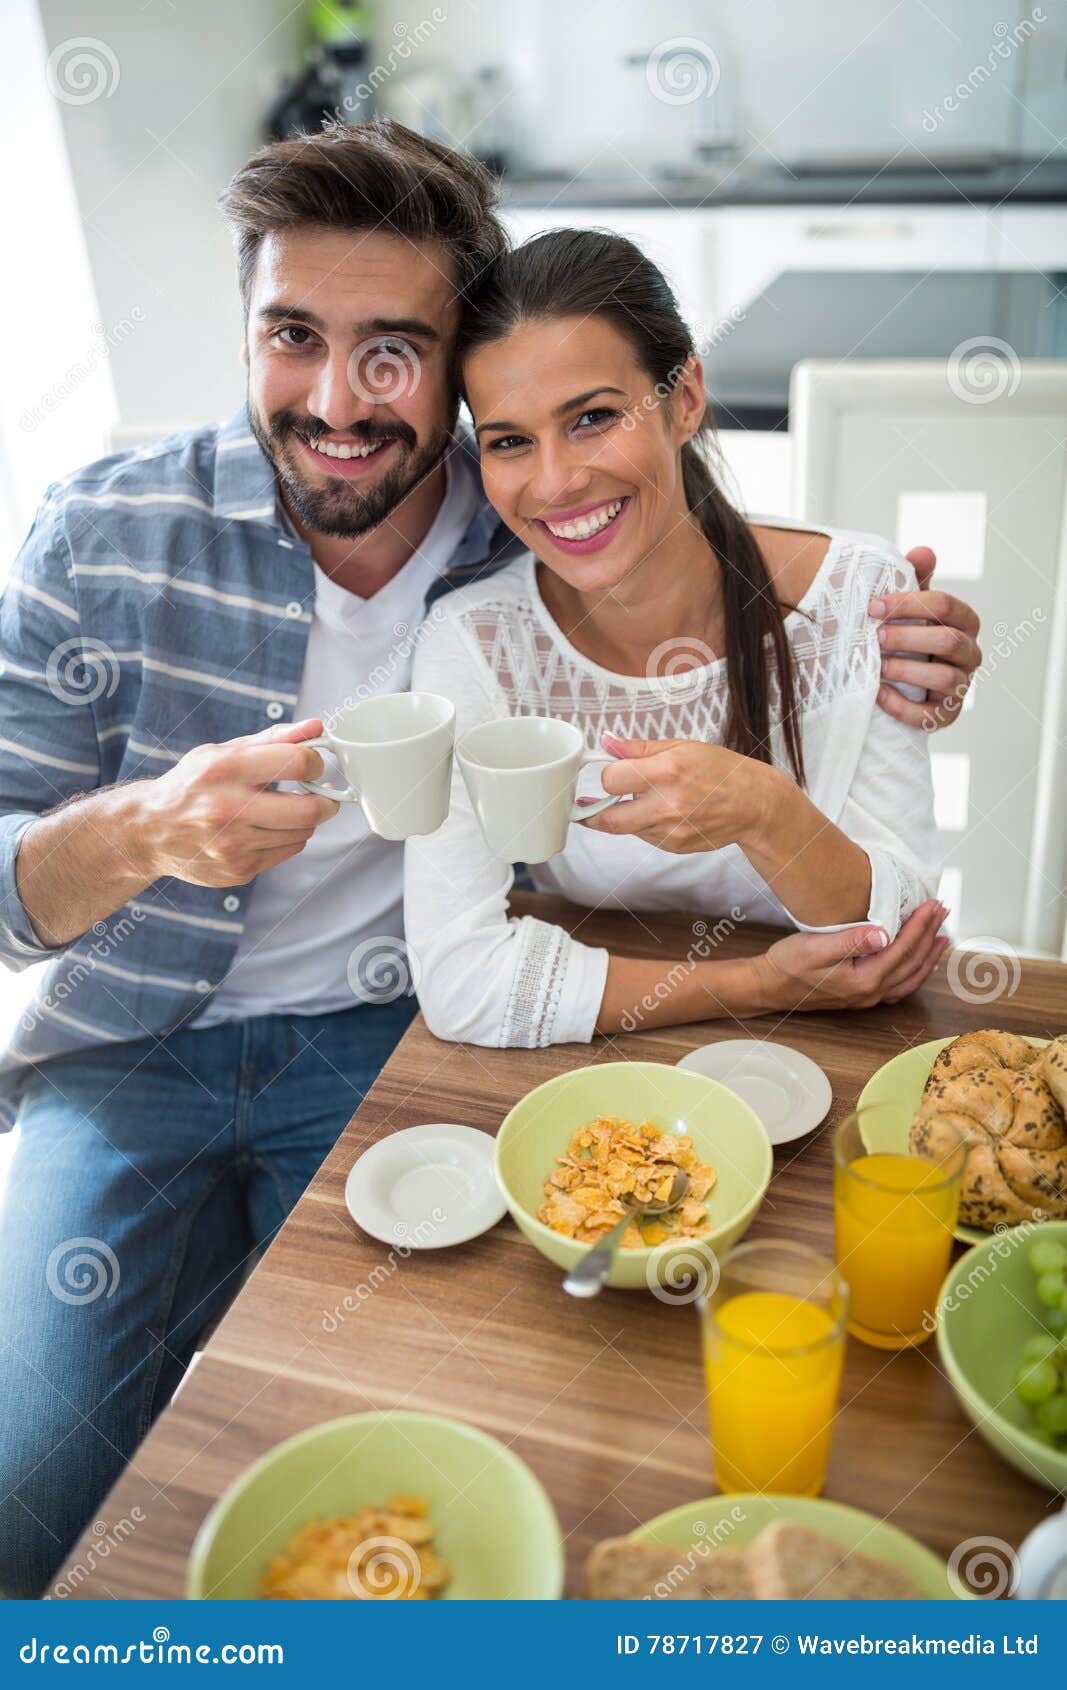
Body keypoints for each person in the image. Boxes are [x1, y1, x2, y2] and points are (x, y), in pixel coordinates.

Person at [0, 122, 979, 1596]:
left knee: (416, 1454)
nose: (338, 401)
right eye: (292, 335)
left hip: (380, 1035)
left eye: (393, 351)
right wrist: (144, 830)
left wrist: (886, 621)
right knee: (28, 1497)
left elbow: (673, 532)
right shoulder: (102, 531)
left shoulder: (511, 519)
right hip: (128, 1054)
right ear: (245, 329)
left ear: (449, 371)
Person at [405, 229, 953, 1045]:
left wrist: (764, 810)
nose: (555, 482)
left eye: (593, 418)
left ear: (684, 397)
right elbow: (461, 985)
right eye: (510, 441)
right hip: (608, 1065)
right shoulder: (474, 642)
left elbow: (901, 936)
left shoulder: (859, 595)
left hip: (840, 1050)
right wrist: (757, 984)